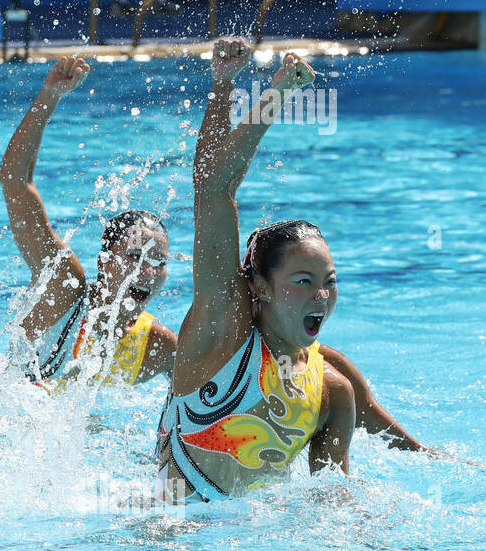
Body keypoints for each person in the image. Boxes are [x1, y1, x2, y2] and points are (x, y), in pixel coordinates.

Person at [157, 39, 434, 502]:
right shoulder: (222, 334)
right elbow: (211, 190)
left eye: (329, 283)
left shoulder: (331, 388)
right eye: (303, 282)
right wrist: (267, 91)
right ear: (261, 286)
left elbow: (331, 502)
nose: (321, 296)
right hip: (161, 538)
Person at [0, 56, 177, 390]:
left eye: (159, 262)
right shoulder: (63, 289)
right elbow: (14, 178)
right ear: (104, 261)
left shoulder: (158, 348)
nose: (147, 272)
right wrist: (50, 95)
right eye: (135, 257)